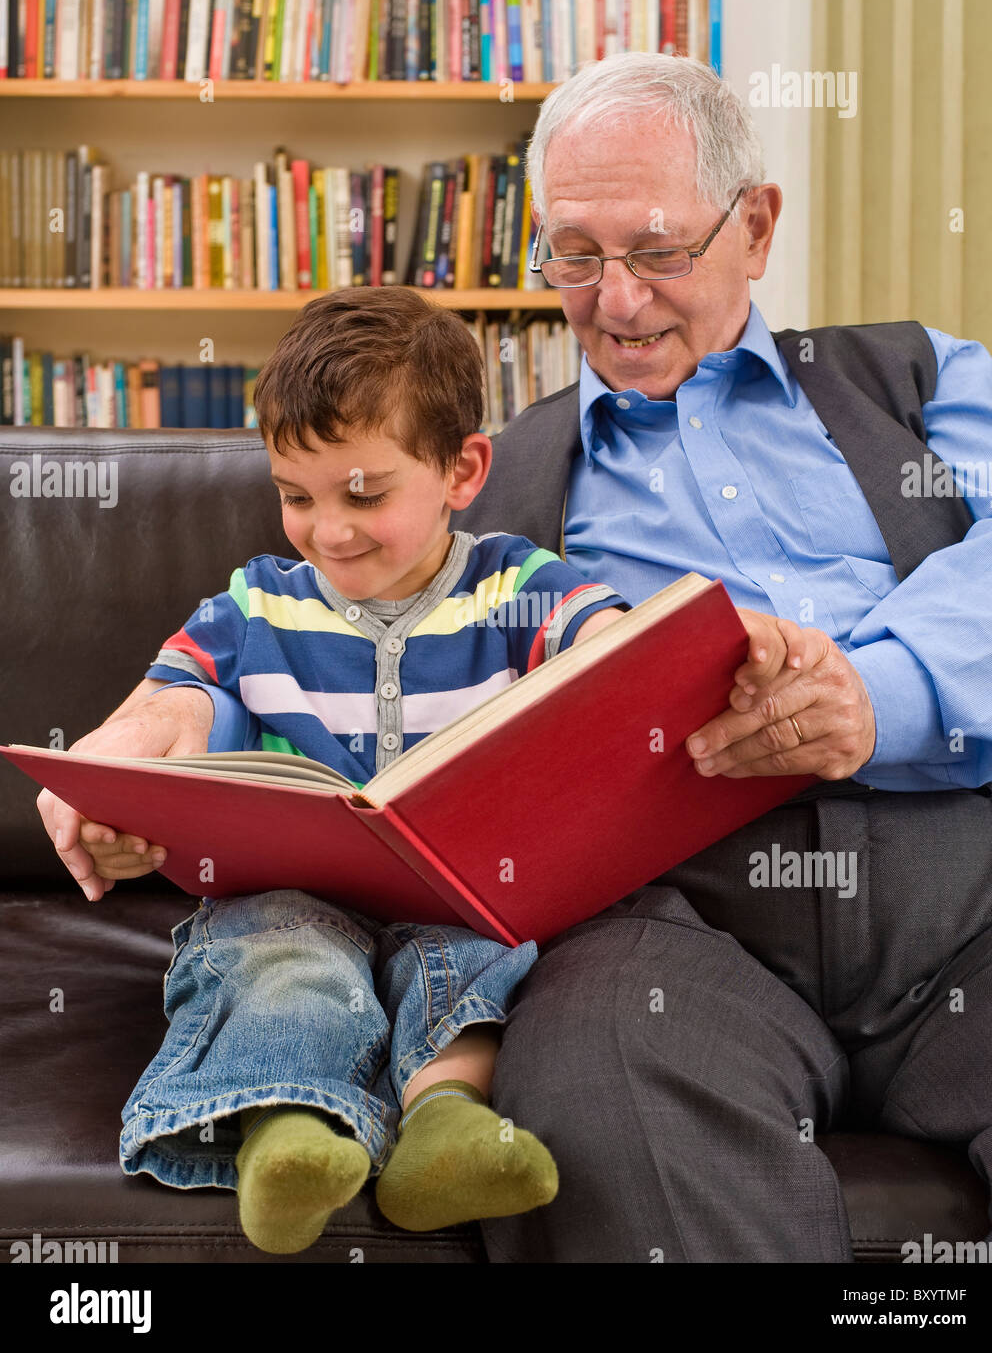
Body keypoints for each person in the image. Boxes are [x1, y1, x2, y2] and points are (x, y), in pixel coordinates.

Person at [40, 50, 992, 1262]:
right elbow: (277, 666)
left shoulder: (915, 377)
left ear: (755, 228)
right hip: (674, 919)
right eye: (573, 255)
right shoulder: (473, 499)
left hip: (974, 886)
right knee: (597, 1100)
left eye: (657, 250)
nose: (616, 301)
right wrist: (148, 748)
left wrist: (878, 690)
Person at [43, 283, 808, 1256]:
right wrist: (113, 780)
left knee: (477, 968)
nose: (328, 530)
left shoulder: (516, 586)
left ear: (462, 471)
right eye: (296, 496)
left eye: (364, 494)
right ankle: (291, 1131)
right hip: (290, 898)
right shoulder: (255, 606)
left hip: (459, 899)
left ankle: (445, 1123)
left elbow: (607, 645)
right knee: (277, 959)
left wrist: (672, 656)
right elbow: (169, 702)